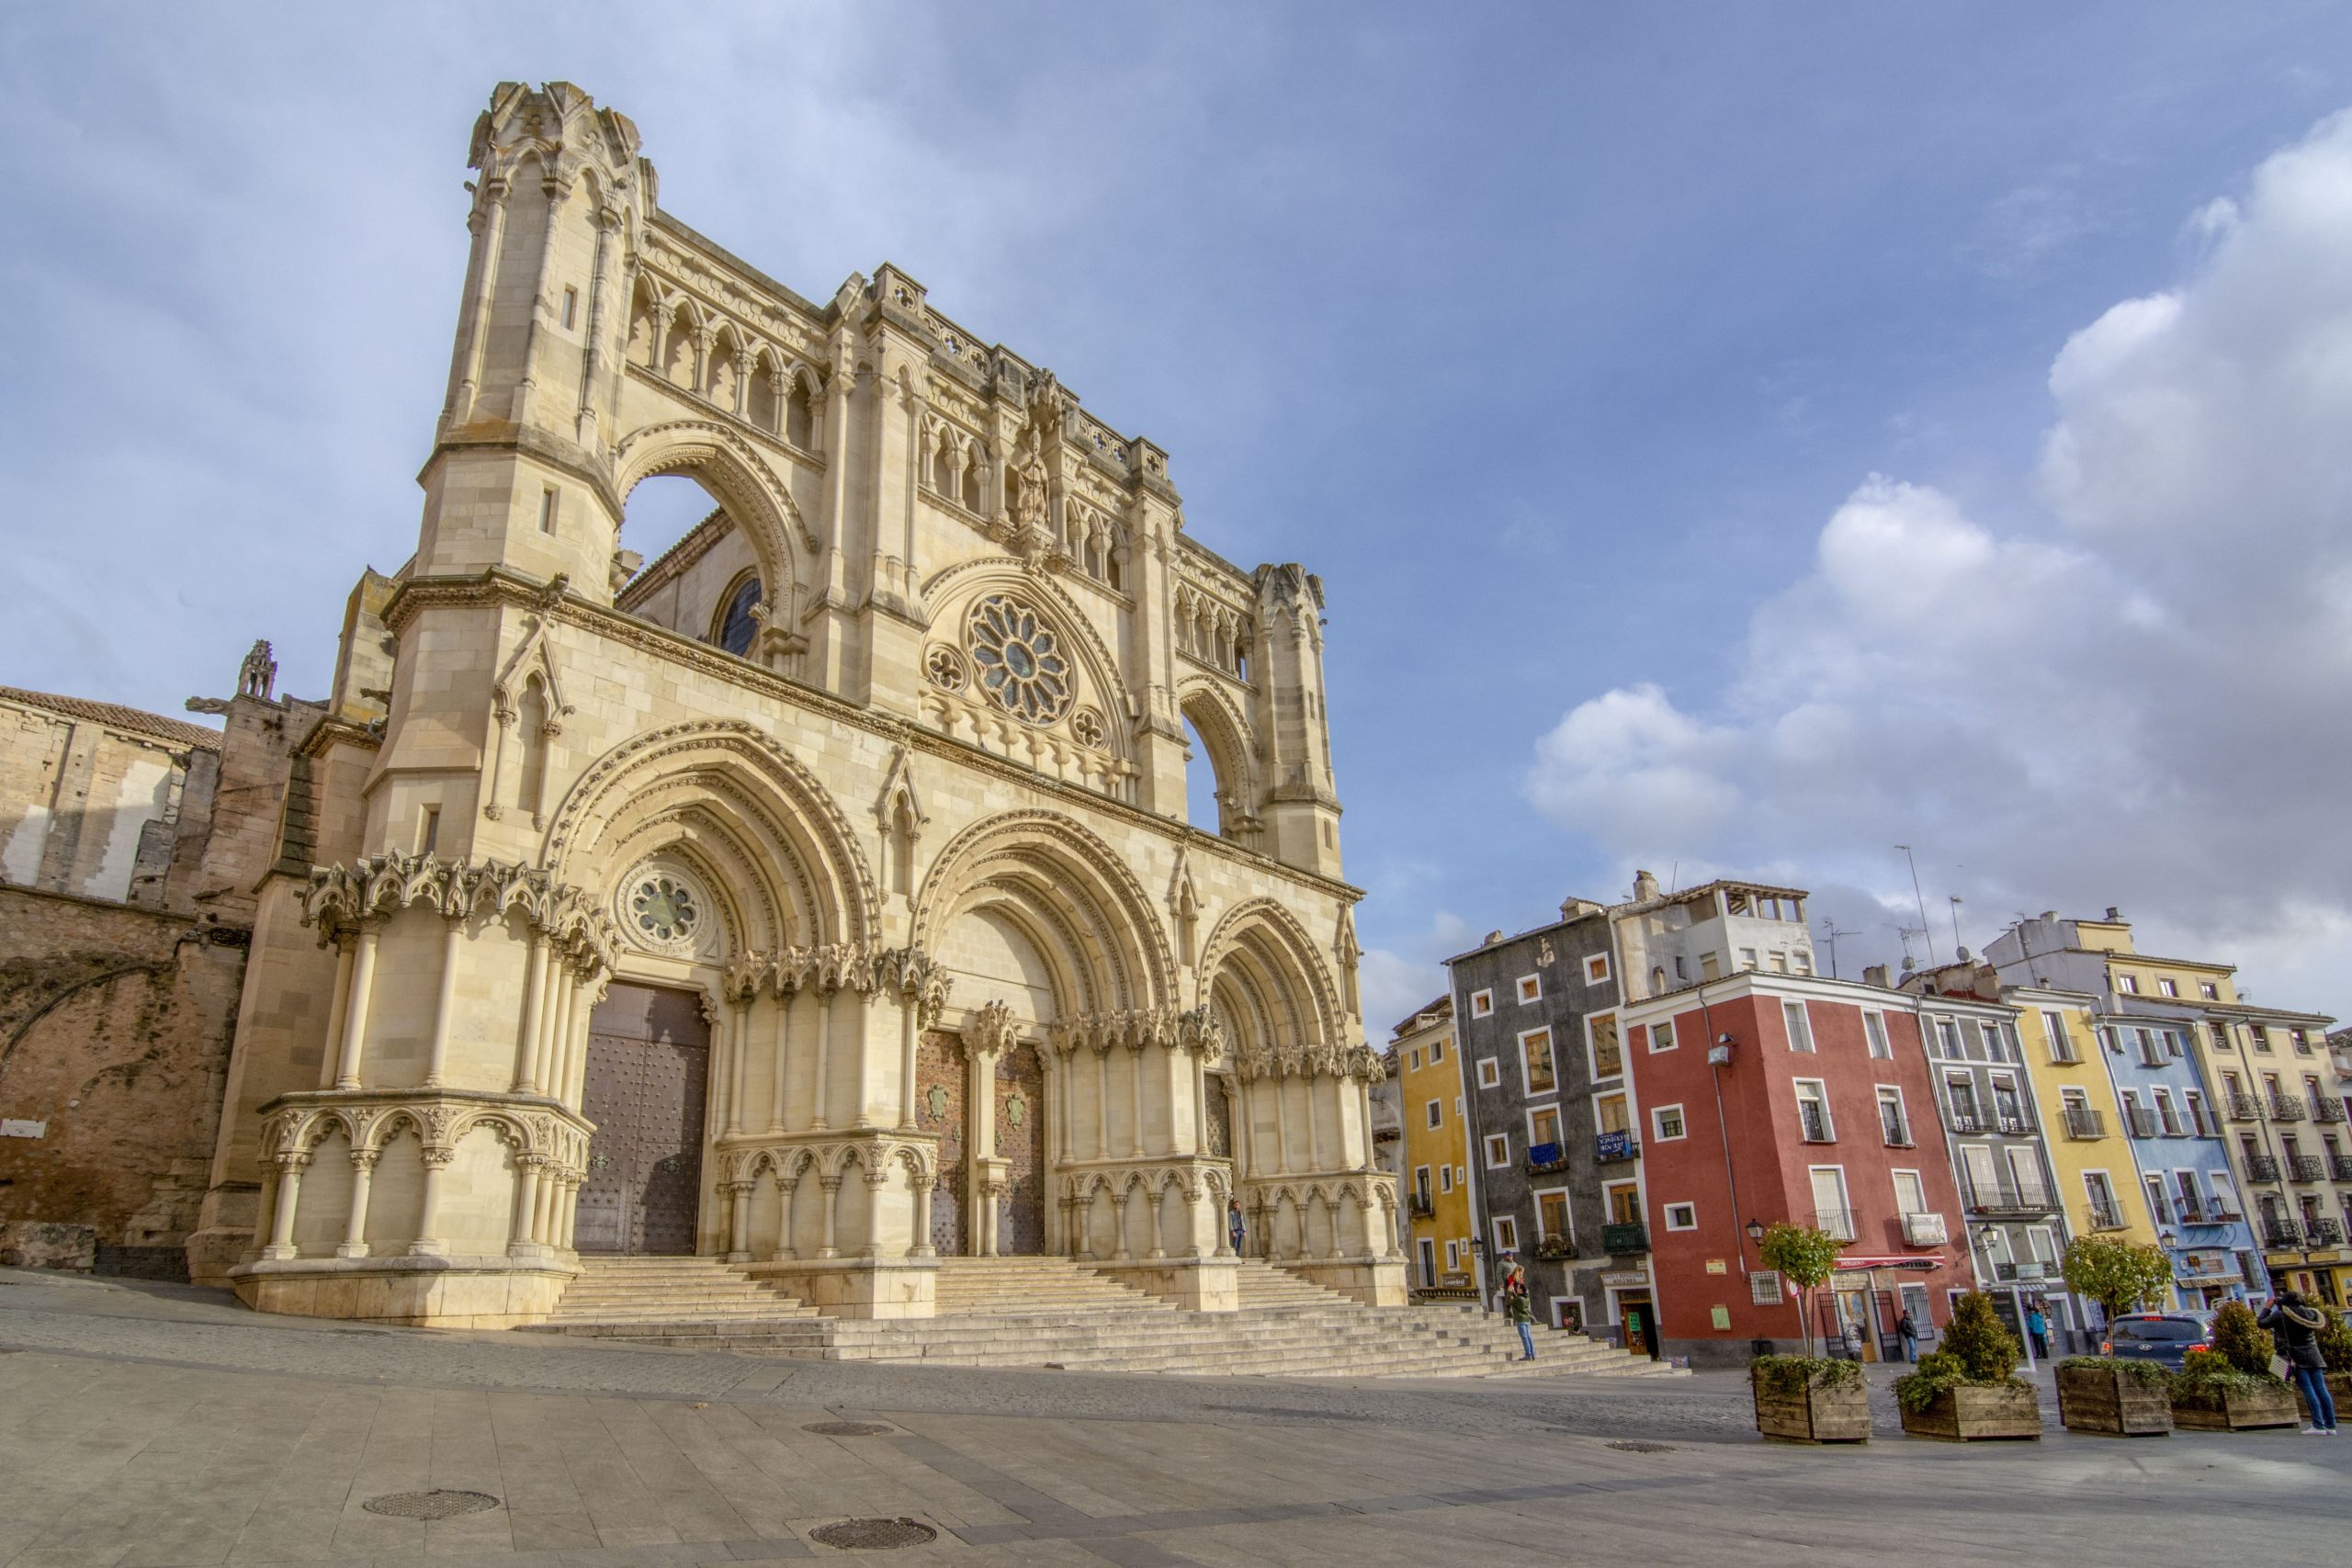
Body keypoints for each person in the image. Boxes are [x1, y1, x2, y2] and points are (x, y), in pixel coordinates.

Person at [2258, 1289, 2338, 1436]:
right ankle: (2330, 1425)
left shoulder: (2280, 1315)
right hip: (2314, 1354)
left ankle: (2318, 1425)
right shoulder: (2312, 1313)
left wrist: (2267, 1307)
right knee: (2321, 1389)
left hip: (2295, 1356)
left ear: (2284, 1303)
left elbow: (2261, 1323)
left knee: (2308, 1390)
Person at [1500, 1257, 1535, 1360]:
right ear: (1518, 1272)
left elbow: (1509, 1301)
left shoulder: (1520, 1285)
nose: (1522, 1274)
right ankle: (1532, 1354)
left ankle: (1529, 1354)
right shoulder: (1512, 1279)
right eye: (1521, 1273)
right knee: (1528, 1336)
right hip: (1525, 1316)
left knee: (1525, 1337)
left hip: (1520, 1315)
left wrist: (1512, 1293)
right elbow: (1510, 1284)